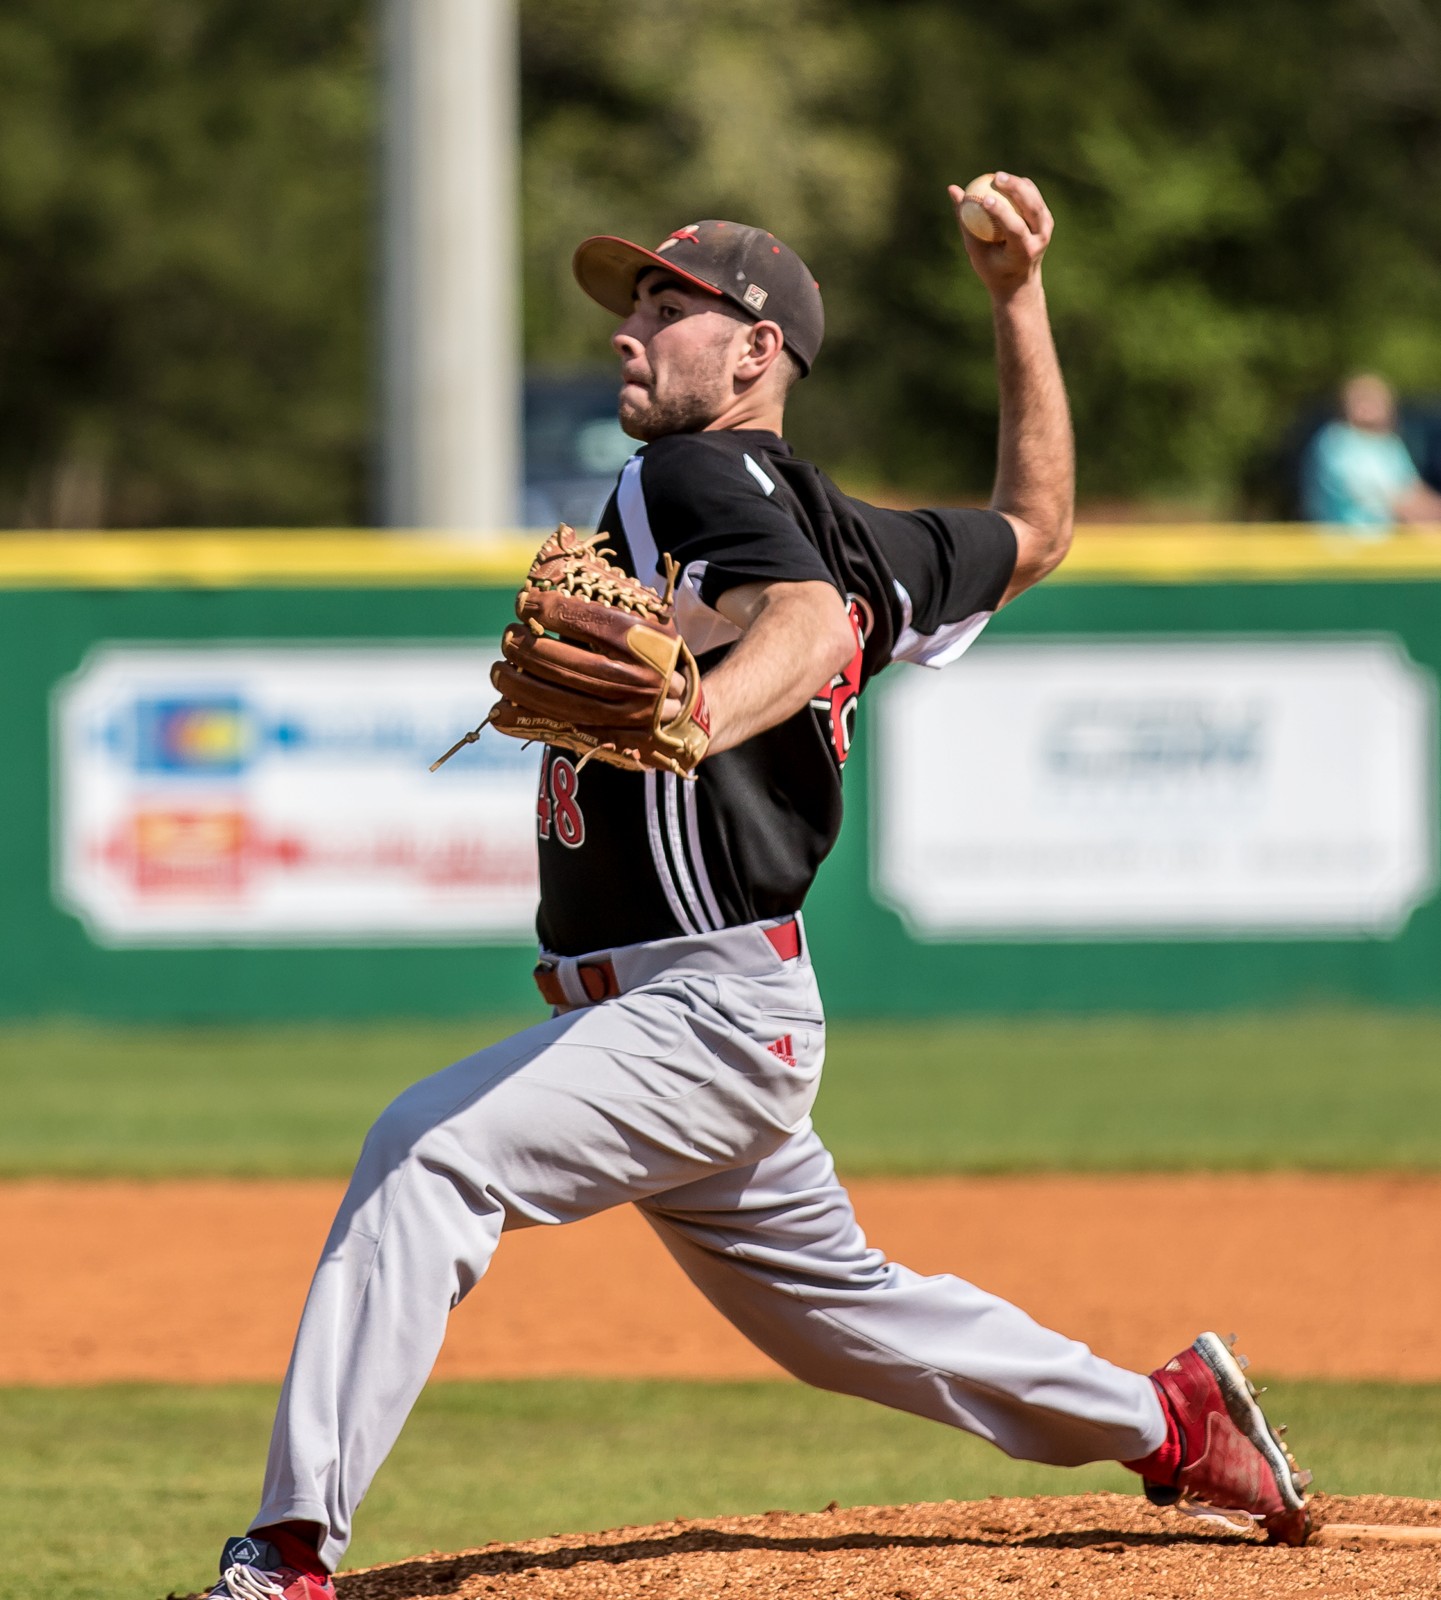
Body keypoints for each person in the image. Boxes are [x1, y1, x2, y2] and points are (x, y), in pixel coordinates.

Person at [201, 174, 1310, 1600]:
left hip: (698, 1008)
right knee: (843, 1317)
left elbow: (796, 624)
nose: (630, 330)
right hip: (719, 1009)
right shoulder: (854, 533)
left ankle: (288, 1553)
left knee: (426, 1156)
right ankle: (1170, 1420)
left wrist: (701, 711)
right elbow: (1036, 529)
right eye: (632, 305)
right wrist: (1018, 300)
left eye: (670, 308)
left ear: (754, 351)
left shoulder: (684, 478)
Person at [1301, 372, 1441, 530]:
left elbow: (1413, 490)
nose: (1369, 407)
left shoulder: (1387, 443)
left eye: (1376, 401)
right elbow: (1396, 501)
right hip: (1347, 540)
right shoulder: (1338, 443)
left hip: (1387, 538)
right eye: (1362, 400)